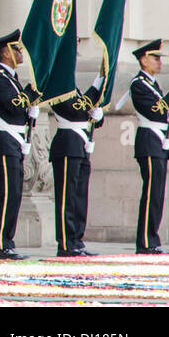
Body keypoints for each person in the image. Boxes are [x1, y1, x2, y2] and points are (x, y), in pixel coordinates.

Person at [0, 29, 38, 260]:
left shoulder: (12, 80)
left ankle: (7, 242)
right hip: (3, 143)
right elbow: (14, 106)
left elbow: (20, 110)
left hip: (13, 142)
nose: (20, 52)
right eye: (16, 48)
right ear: (6, 53)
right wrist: (31, 94)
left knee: (14, 193)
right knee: (7, 194)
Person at [128, 39, 169, 254]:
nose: (159, 62)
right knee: (151, 193)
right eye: (155, 58)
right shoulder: (138, 84)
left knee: (157, 193)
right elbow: (157, 110)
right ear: (143, 59)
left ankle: (151, 239)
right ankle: (146, 241)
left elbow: (165, 112)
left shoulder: (153, 85)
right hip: (149, 142)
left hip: (158, 143)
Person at [48, 72, 103, 257]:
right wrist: (96, 87)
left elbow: (84, 113)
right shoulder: (56, 85)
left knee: (80, 197)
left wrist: (98, 113)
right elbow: (74, 110)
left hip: (80, 145)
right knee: (67, 197)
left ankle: (77, 240)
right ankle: (66, 242)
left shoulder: (74, 89)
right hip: (67, 145)